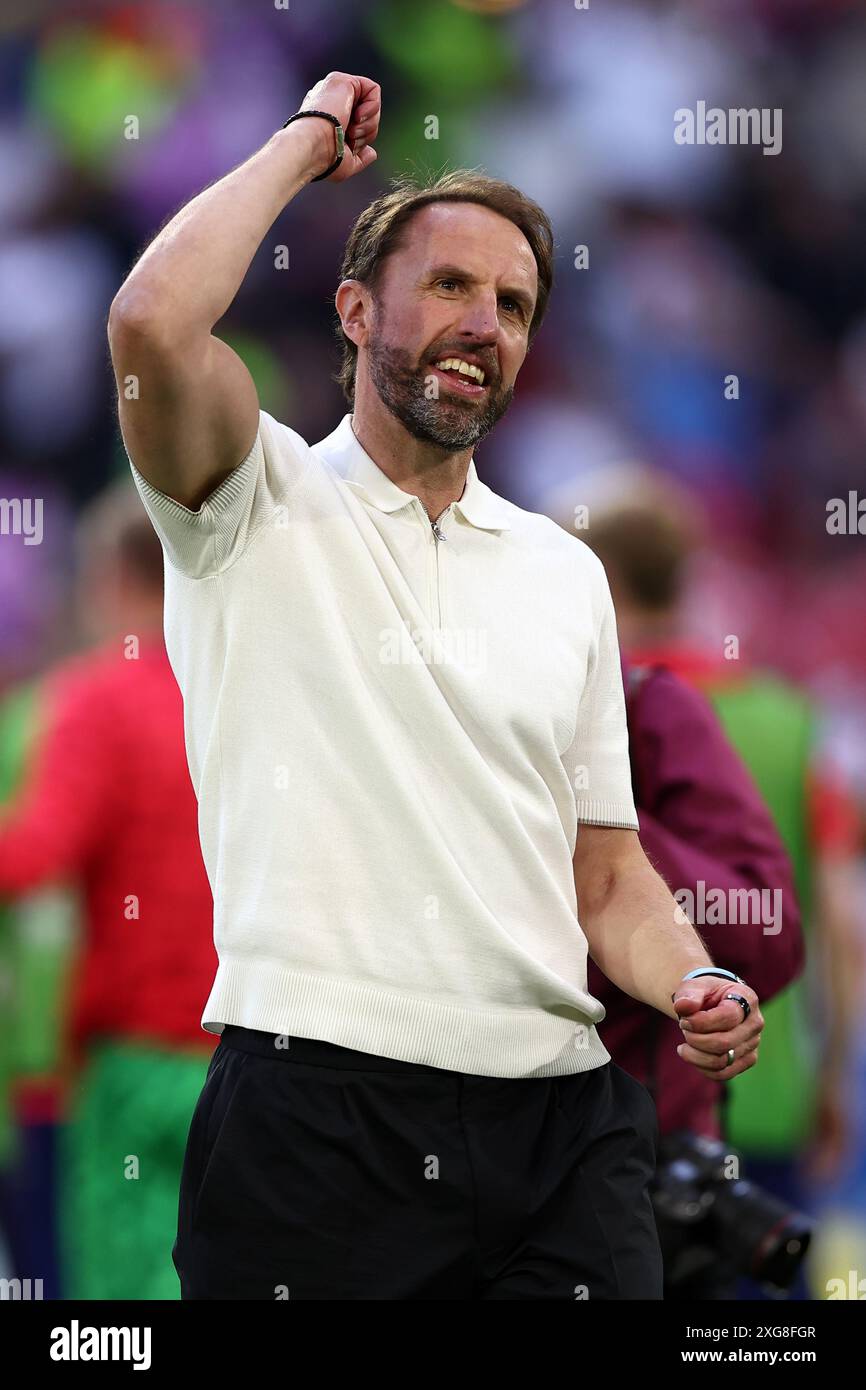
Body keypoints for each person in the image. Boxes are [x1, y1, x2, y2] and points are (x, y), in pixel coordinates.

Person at [107, 71, 765, 1301]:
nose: (485, 322)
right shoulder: (252, 499)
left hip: (562, 1128)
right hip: (316, 1119)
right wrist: (305, 145)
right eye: (450, 285)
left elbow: (605, 873)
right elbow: (151, 324)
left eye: (513, 303)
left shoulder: (565, 572)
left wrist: (691, 974)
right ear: (353, 310)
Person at [578, 474, 863, 1299]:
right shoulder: (788, 715)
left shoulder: (595, 711)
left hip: (638, 1099)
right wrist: (832, 1074)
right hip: (770, 1086)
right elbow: (837, 918)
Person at [0, 481, 218, 1298]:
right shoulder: (246, 694)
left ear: (111, 579)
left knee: (121, 1311)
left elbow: (33, 856)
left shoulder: (97, 701)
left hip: (130, 1061)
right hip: (254, 1058)